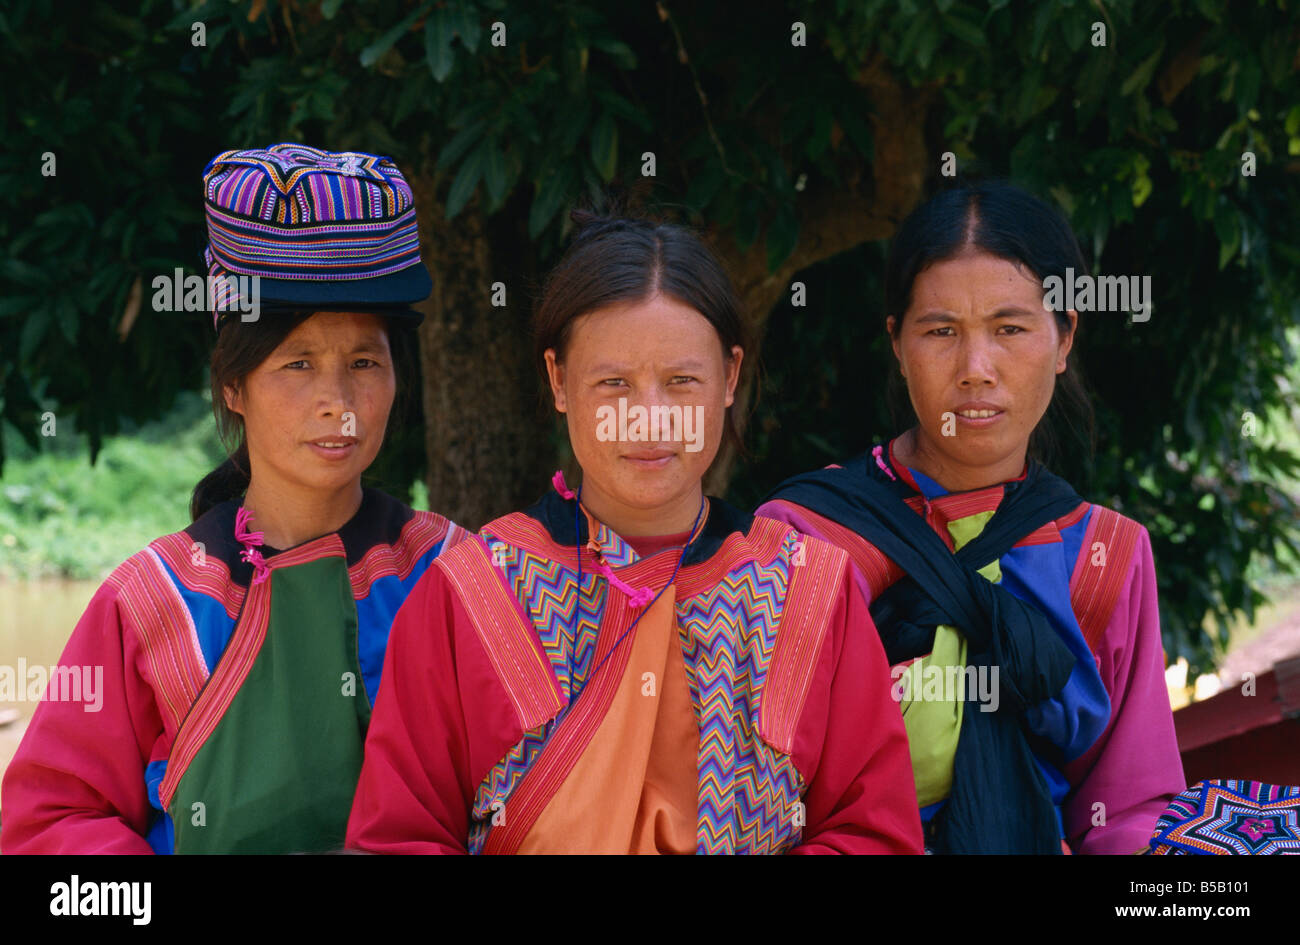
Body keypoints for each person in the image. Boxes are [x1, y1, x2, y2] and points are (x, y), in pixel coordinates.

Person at [346, 212, 924, 854]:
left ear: (730, 377)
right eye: (613, 383)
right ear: (559, 380)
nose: (648, 420)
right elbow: (401, 837)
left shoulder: (812, 592)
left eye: (681, 382)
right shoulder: (467, 593)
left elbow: (871, 832)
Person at [0, 144, 468, 853]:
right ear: (232, 384)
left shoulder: (458, 577)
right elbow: (43, 828)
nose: (337, 402)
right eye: (298, 363)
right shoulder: (151, 603)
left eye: (365, 362)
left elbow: (530, 806)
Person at [758, 181, 1186, 854]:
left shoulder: (1105, 558)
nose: (976, 369)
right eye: (941, 331)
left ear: (1065, 335)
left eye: (1010, 328)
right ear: (897, 343)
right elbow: (749, 795)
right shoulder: (802, 541)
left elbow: (1128, 807)